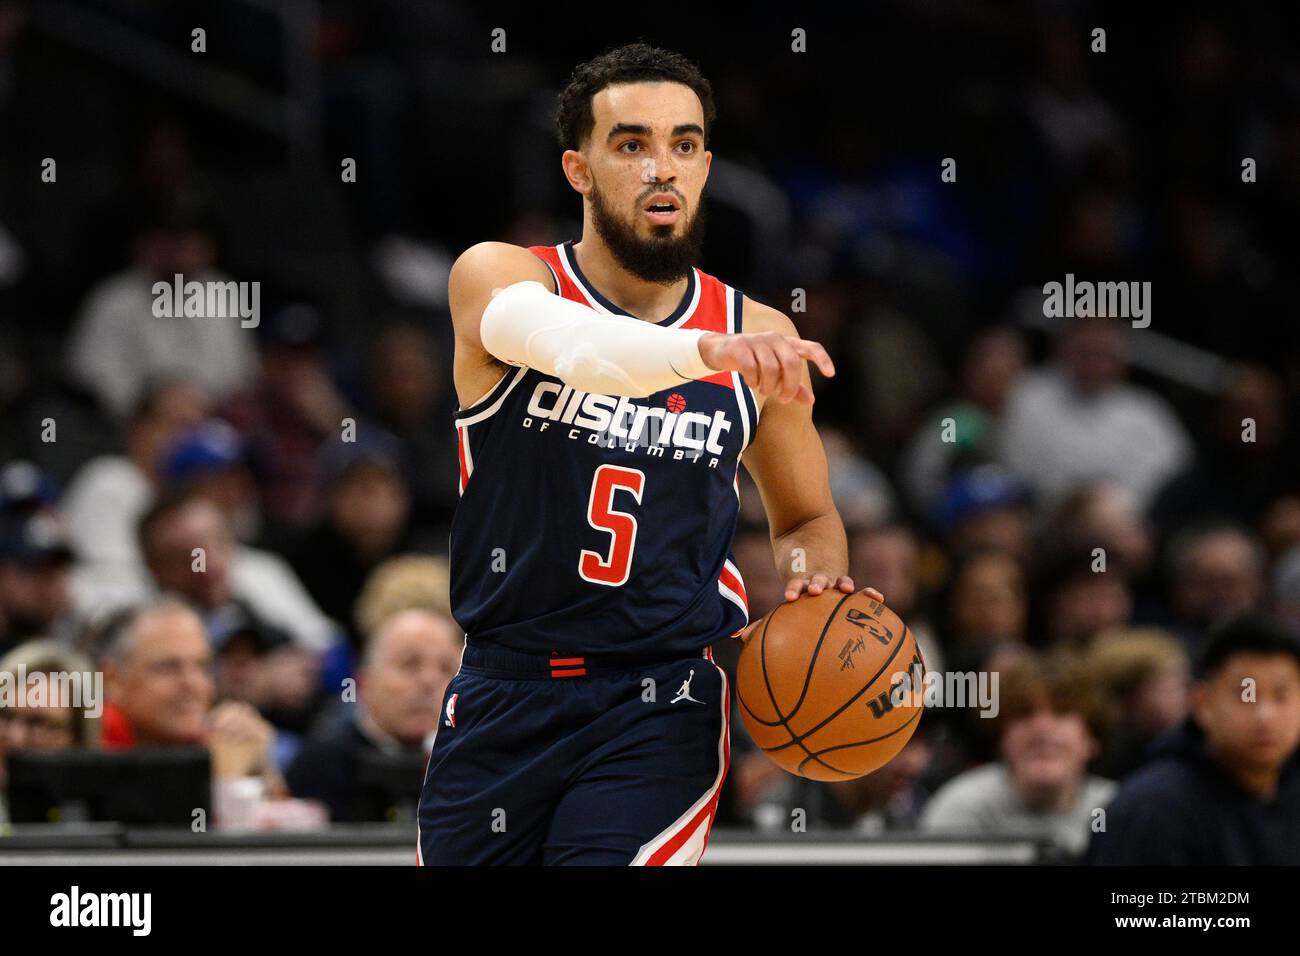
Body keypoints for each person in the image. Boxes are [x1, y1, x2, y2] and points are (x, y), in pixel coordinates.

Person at [417, 42, 883, 866]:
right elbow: (590, 355)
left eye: (685, 143)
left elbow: (806, 515)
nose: (661, 167)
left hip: (659, 698)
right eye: (631, 144)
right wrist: (705, 355)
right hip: (501, 688)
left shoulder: (760, 330)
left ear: (705, 165)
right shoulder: (501, 278)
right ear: (579, 169)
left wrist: (814, 582)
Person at [1085, 615, 1300, 864]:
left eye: (1281, 696)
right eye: (1245, 695)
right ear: (1201, 703)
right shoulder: (1150, 810)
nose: (1265, 716)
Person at [919, 652, 1116, 857]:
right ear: (1002, 738)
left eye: (1061, 713)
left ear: (1092, 738)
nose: (1042, 728)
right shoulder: (964, 807)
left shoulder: (1116, 809)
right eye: (1024, 714)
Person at [286, 609, 462, 822]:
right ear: (365, 683)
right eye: (410, 665)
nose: (429, 680)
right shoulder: (319, 768)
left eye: (446, 668)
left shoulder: (474, 766)